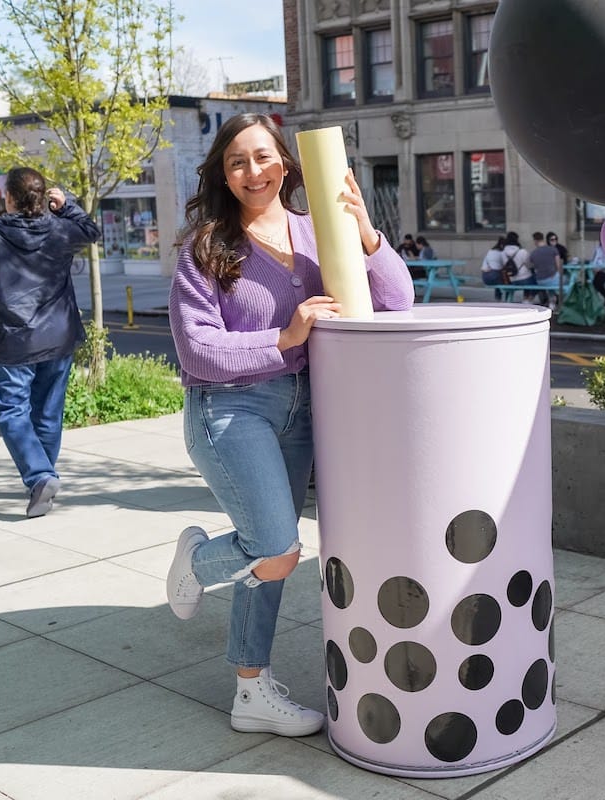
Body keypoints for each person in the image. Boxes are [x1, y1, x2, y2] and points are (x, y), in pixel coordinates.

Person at [165, 112, 413, 737]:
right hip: (231, 408)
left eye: (264, 157)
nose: (254, 171)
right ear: (223, 174)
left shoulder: (317, 231)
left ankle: (251, 691)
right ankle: (195, 563)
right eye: (237, 161)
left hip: (303, 406)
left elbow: (395, 303)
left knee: (267, 555)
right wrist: (285, 335)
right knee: (276, 548)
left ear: (286, 163)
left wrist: (365, 232)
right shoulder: (207, 247)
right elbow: (196, 350)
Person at [0, 168, 100, 518]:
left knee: (11, 411)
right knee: (47, 413)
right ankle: (42, 481)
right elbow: (90, 231)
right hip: (59, 336)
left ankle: (40, 477)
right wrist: (67, 206)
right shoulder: (61, 228)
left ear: (8, 197)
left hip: (13, 340)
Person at [528, 230, 561, 307]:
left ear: (535, 240)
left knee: (550, 285)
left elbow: (531, 266)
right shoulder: (553, 249)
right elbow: (558, 265)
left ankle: (551, 302)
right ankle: (556, 302)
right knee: (566, 279)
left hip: (540, 280)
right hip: (552, 279)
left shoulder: (533, 253)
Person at [502, 231, 533, 298]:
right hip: (525, 279)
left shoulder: (503, 253)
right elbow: (529, 265)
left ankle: (508, 300)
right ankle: (527, 299)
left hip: (512, 280)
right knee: (535, 281)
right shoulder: (522, 251)